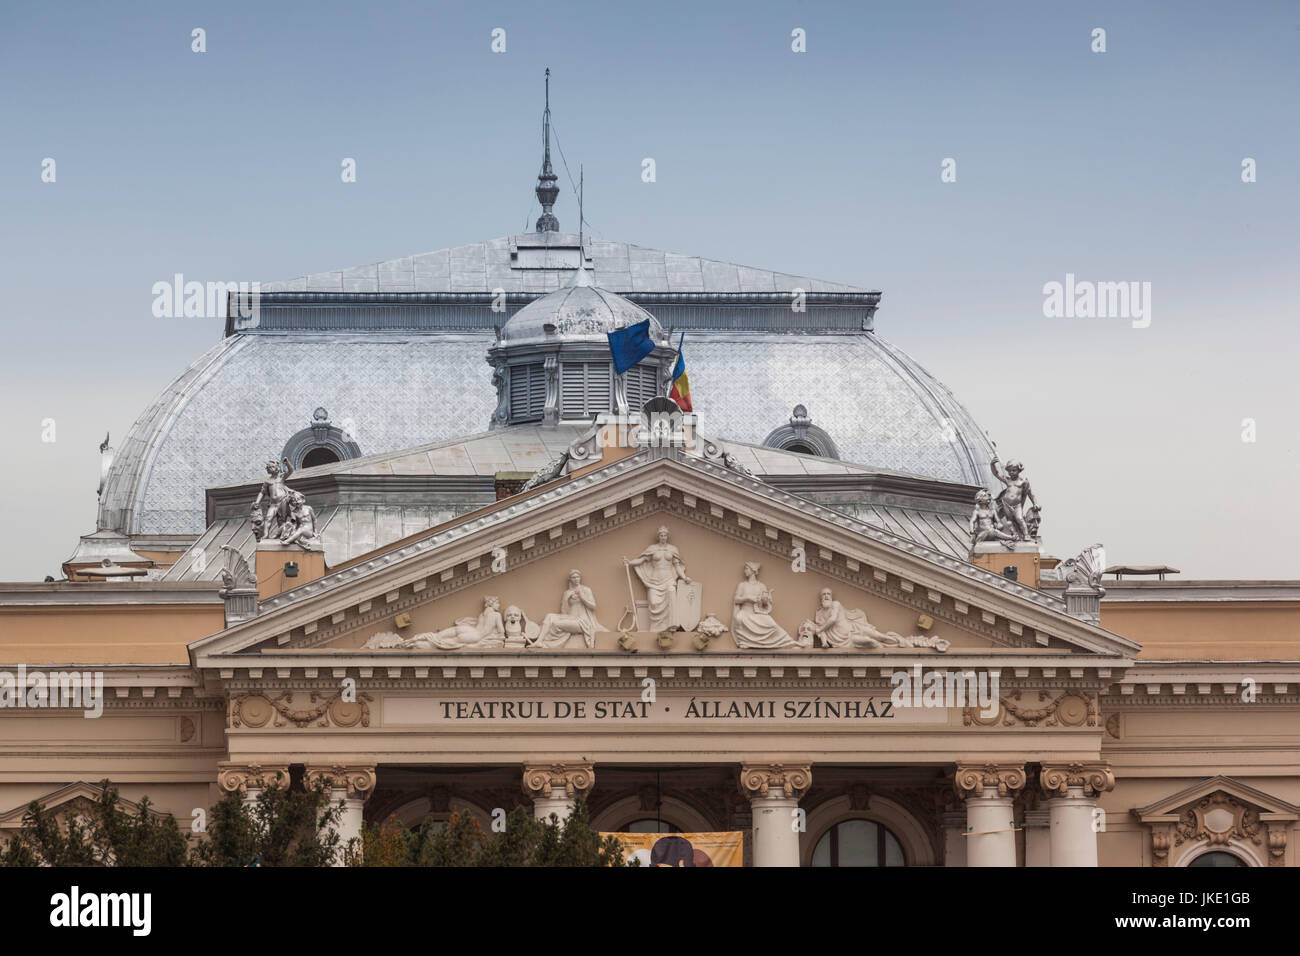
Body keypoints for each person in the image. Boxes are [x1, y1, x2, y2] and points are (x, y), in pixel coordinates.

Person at [625, 526, 691, 631]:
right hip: (655, 579)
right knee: (654, 602)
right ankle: (657, 627)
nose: (663, 537)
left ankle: (671, 625)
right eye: (661, 535)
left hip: (669, 578)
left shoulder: (673, 549)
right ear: (658, 536)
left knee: (671, 592)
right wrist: (630, 562)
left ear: (667, 536)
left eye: (665, 535)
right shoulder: (652, 549)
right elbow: (642, 560)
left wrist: (684, 577)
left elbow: (677, 566)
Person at [390, 596, 505, 650]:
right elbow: (501, 631)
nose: (499, 606)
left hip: (468, 629)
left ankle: (411, 640)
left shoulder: (482, 615)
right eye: (497, 604)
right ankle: (414, 645)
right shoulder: (496, 615)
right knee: (441, 644)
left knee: (437, 636)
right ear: (493, 604)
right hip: (475, 636)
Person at [531, 570, 608, 649]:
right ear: (570, 579)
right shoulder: (567, 593)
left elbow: (593, 606)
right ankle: (539, 641)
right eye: (574, 577)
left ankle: (547, 644)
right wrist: (567, 599)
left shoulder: (586, 590)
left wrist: (582, 598)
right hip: (570, 617)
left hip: (582, 621)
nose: (576, 579)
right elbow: (564, 612)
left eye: (578, 577)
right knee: (549, 616)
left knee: (556, 624)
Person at [732, 562, 799, 649]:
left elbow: (765, 604)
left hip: (758, 613)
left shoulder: (761, 586)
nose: (745, 571)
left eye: (746, 568)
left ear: (753, 571)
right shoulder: (742, 585)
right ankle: (745, 642)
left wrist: (765, 600)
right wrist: (747, 598)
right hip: (746, 612)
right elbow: (736, 600)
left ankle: (788, 642)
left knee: (773, 625)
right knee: (740, 618)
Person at [990, 457, 1040, 540]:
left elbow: (1030, 494)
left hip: (1017, 505)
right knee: (1009, 522)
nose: (1011, 472)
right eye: (1009, 471)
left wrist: (1035, 503)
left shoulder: (1023, 481)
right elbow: (996, 474)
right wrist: (992, 465)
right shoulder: (1007, 480)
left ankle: (1026, 534)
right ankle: (1015, 535)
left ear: (1019, 470)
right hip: (1006, 504)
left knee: (1020, 519)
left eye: (1014, 470)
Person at [253, 458, 294, 540]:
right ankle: (266, 535)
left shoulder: (281, 477)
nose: (270, 469)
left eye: (271, 467)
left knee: (281, 521)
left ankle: (281, 535)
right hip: (273, 504)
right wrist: (257, 502)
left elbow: (291, 471)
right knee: (268, 518)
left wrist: (287, 463)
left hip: (283, 502)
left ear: (276, 468)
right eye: (268, 468)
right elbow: (262, 492)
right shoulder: (267, 481)